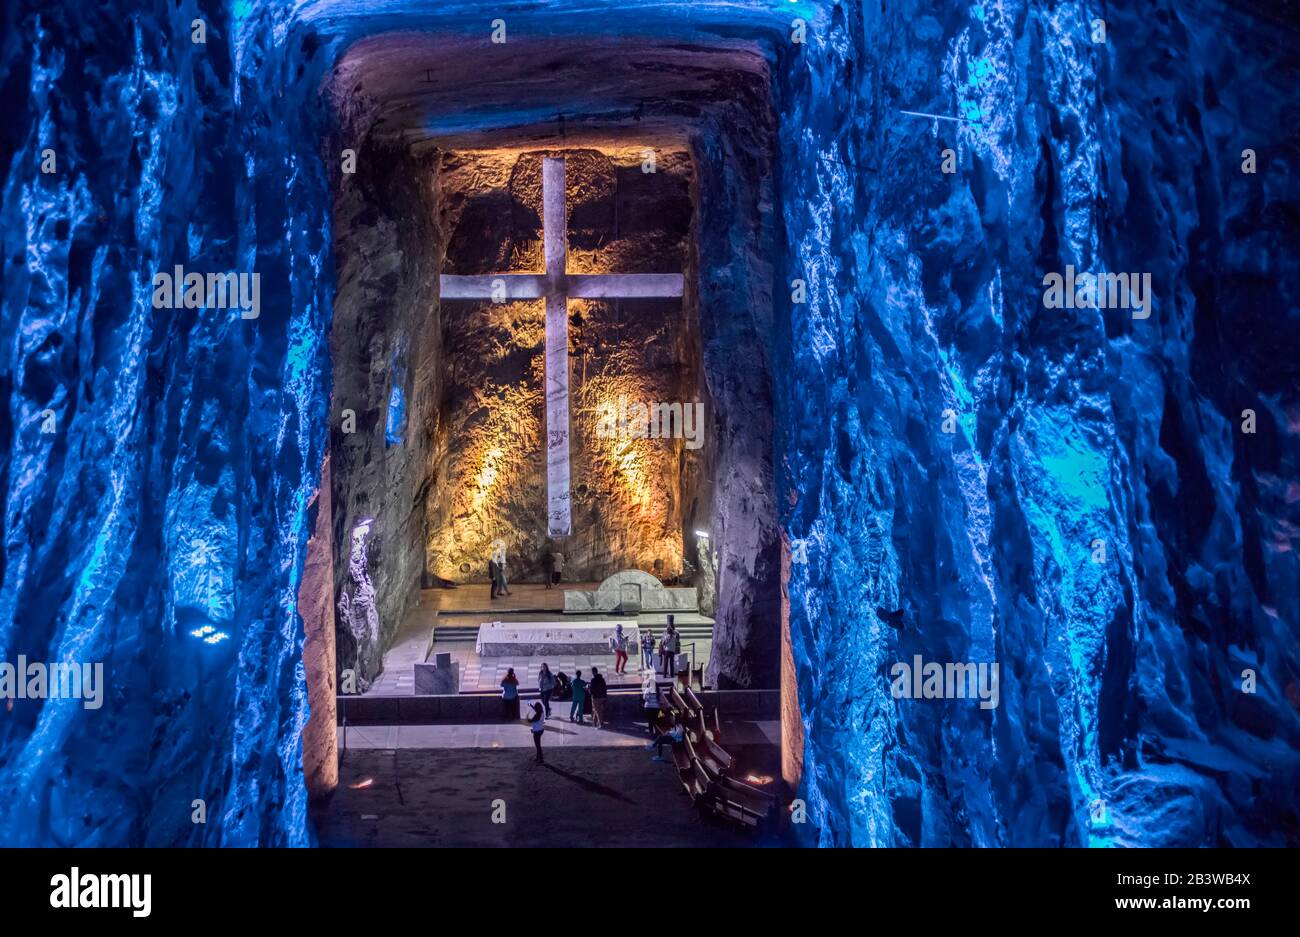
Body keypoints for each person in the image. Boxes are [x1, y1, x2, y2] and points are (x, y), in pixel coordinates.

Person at [641, 671, 661, 736]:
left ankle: (651, 732)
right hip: (656, 708)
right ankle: (657, 732)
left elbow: (644, 698)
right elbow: (661, 699)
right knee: (656, 720)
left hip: (648, 707)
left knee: (650, 720)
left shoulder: (647, 689)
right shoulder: (659, 689)